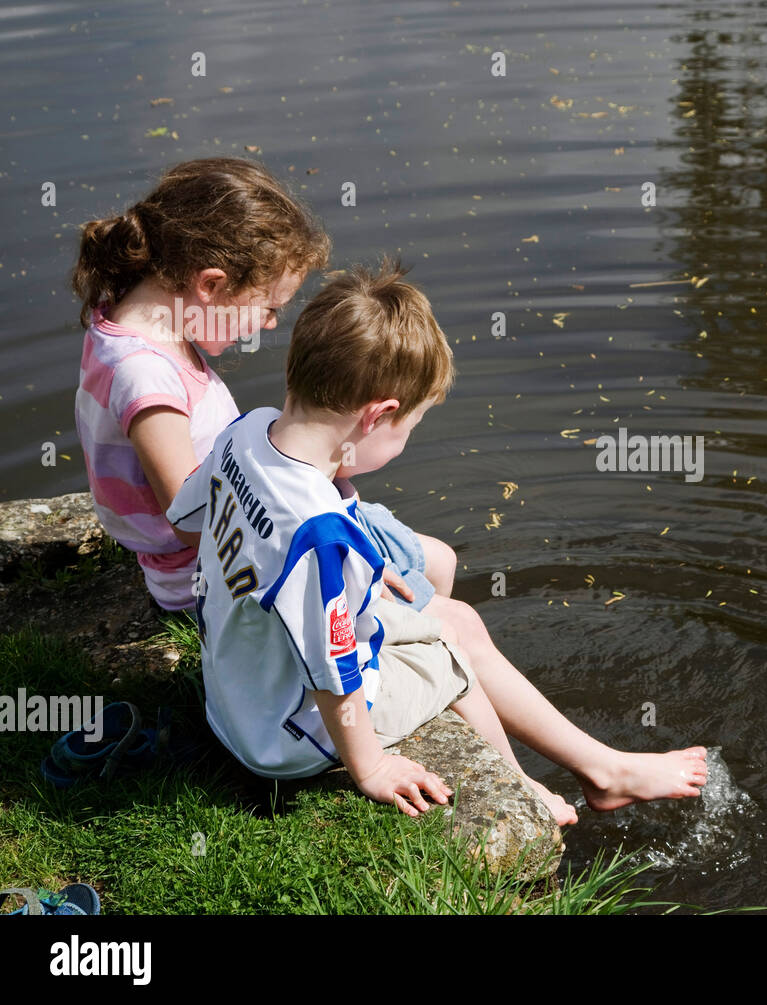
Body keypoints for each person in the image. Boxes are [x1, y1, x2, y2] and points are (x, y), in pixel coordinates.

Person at [164, 261, 709, 823]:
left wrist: (349, 570)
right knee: (451, 646)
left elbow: (186, 517)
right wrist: (371, 768)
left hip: (232, 691)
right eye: (410, 429)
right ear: (379, 416)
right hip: (284, 737)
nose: (405, 443)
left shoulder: (247, 432)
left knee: (461, 619)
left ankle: (600, 769)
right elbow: (334, 677)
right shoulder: (321, 537)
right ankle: (522, 794)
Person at [71, 157, 454, 614]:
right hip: (220, 576)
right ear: (211, 285)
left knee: (439, 560)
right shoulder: (146, 378)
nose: (271, 324)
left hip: (249, 533)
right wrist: (345, 555)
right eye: (270, 307)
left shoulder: (132, 322)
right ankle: (415, 655)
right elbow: (190, 522)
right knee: (440, 600)